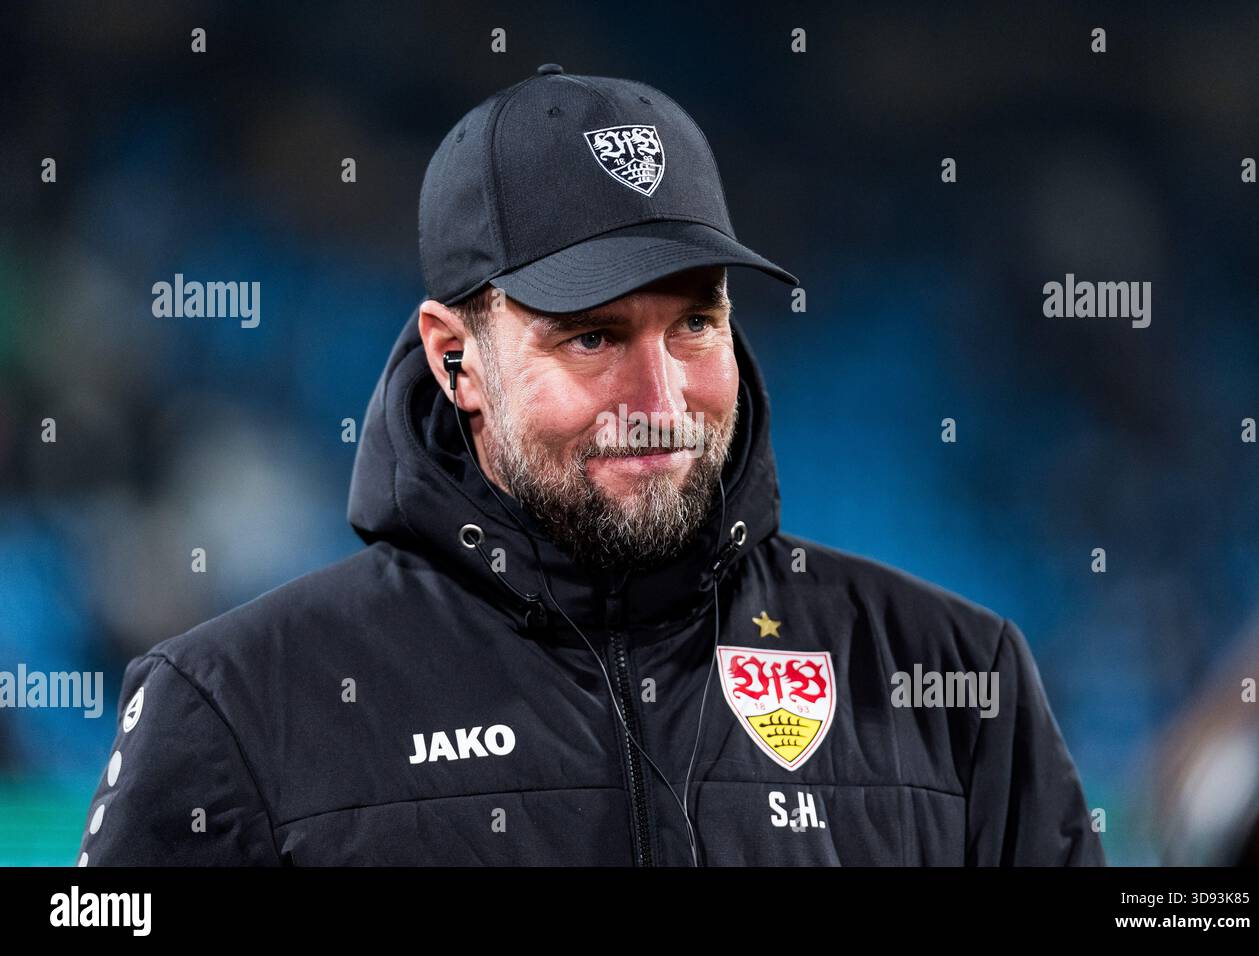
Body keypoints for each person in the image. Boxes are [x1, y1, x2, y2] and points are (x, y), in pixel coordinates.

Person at [76, 64, 1103, 866]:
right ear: (455, 358)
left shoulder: (958, 677)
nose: (661, 403)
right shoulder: (238, 705)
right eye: (592, 338)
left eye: (695, 323)